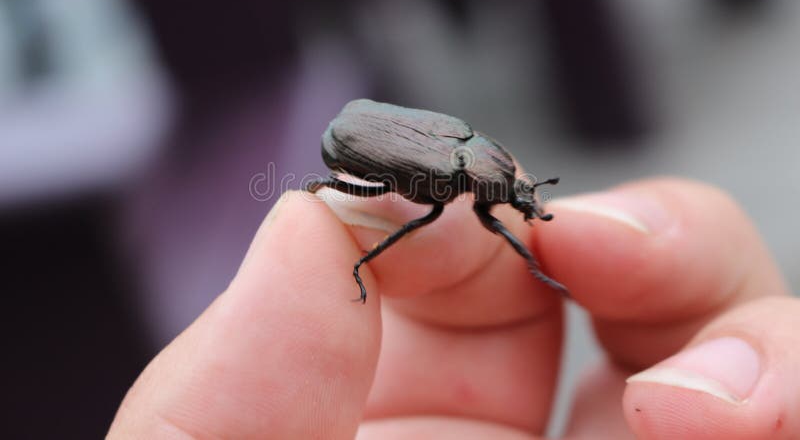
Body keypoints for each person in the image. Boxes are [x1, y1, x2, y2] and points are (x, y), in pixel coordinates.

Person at [108, 177, 795, 439]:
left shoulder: (470, 194)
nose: (523, 209)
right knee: (427, 226)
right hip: (376, 160)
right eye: (519, 199)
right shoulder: (458, 194)